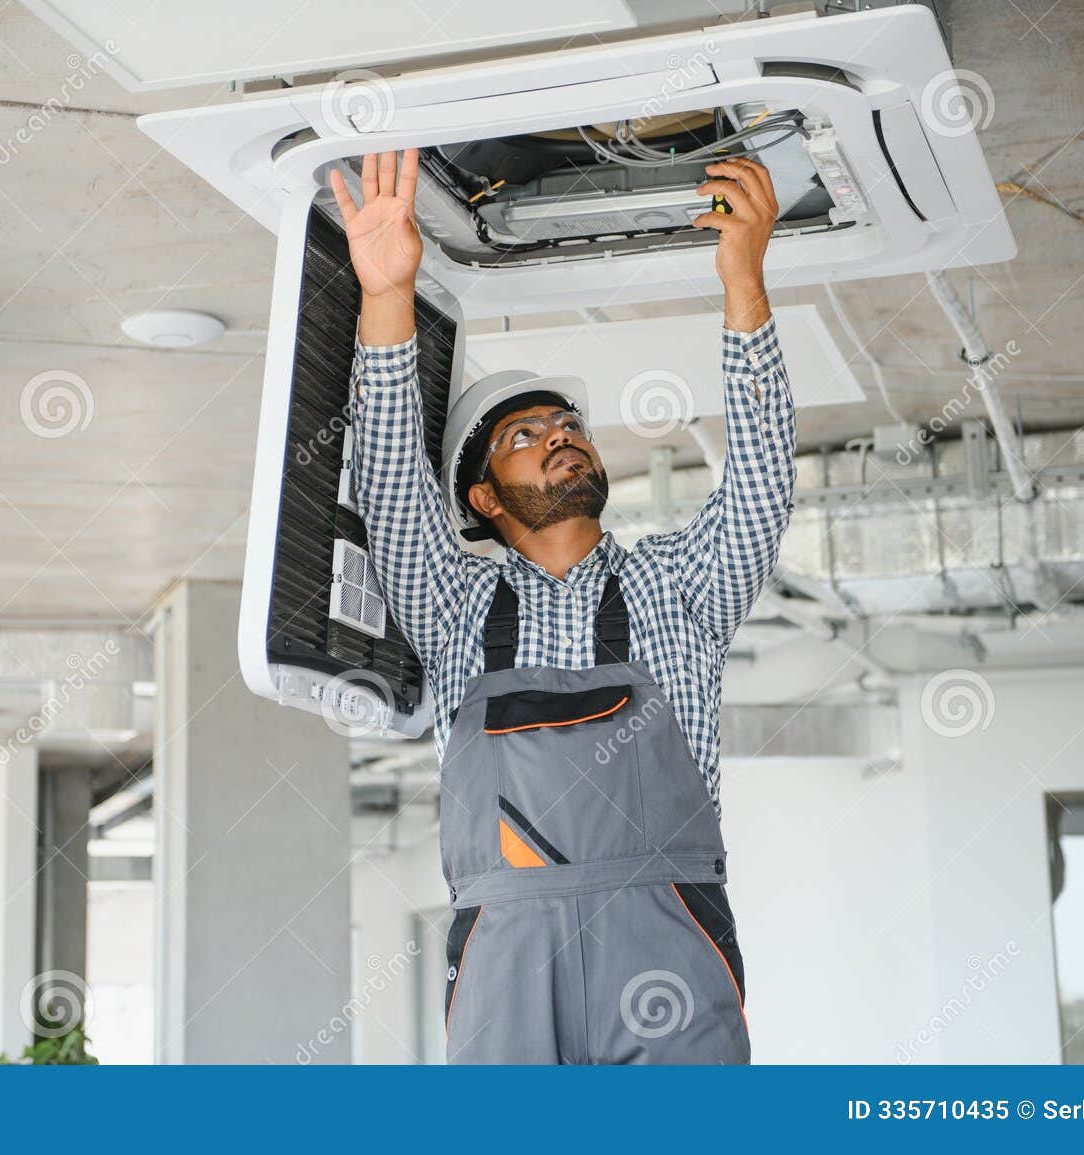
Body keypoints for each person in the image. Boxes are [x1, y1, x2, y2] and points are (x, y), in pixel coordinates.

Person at [332, 148, 797, 1063]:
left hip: (665, 931)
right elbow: (389, 483)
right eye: (524, 436)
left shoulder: (678, 584)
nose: (560, 439)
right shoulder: (452, 603)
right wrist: (386, 294)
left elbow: (763, 481)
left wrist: (743, 278)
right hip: (507, 948)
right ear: (485, 500)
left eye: (569, 427)